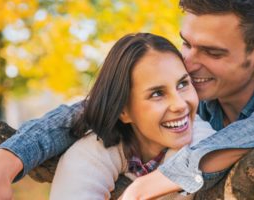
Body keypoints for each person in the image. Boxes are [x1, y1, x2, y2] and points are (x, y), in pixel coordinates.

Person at [0, 0, 254, 199]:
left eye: (212, 52)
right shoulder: (189, 93)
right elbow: (95, 107)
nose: (188, 62)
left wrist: (153, 183)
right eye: (186, 43)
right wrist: (7, 159)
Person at [49, 32, 216, 199]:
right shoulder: (88, 155)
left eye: (182, 83)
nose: (180, 104)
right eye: (157, 94)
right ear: (123, 111)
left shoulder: (202, 137)